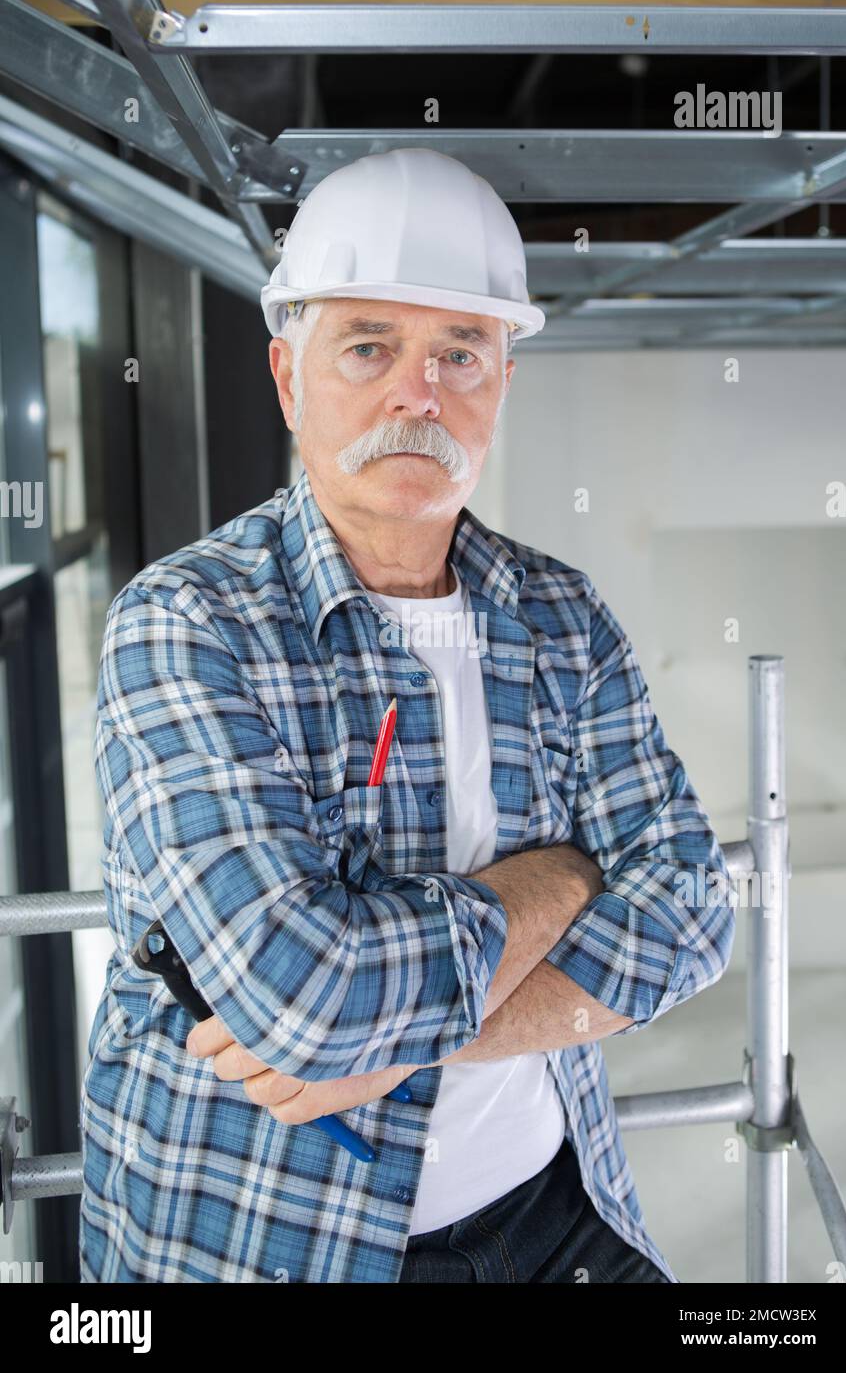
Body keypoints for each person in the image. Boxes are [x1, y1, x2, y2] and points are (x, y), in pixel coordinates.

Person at [80, 148, 737, 1284]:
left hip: (553, 1208)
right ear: (289, 378)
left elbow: (687, 912)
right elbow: (304, 995)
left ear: (500, 384)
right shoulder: (186, 624)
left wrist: (379, 1050)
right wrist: (566, 877)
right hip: (271, 1246)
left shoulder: (559, 615)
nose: (415, 393)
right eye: (370, 346)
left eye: (458, 353)